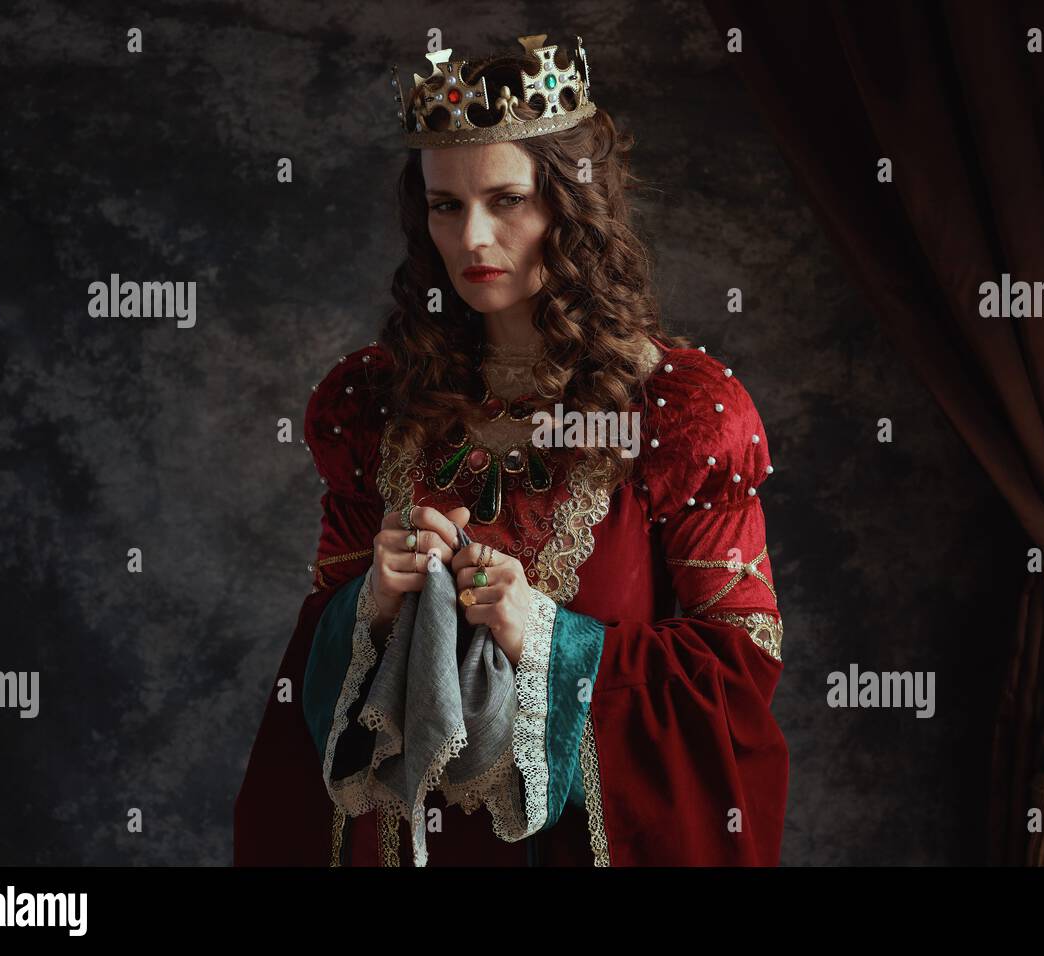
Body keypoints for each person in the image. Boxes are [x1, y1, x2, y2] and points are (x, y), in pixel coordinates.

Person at [235, 33, 788, 866]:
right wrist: (372, 607)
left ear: (569, 204)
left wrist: (548, 637)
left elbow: (738, 676)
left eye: (507, 200)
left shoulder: (682, 413)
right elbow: (312, 671)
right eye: (446, 205)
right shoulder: (373, 407)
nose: (473, 239)